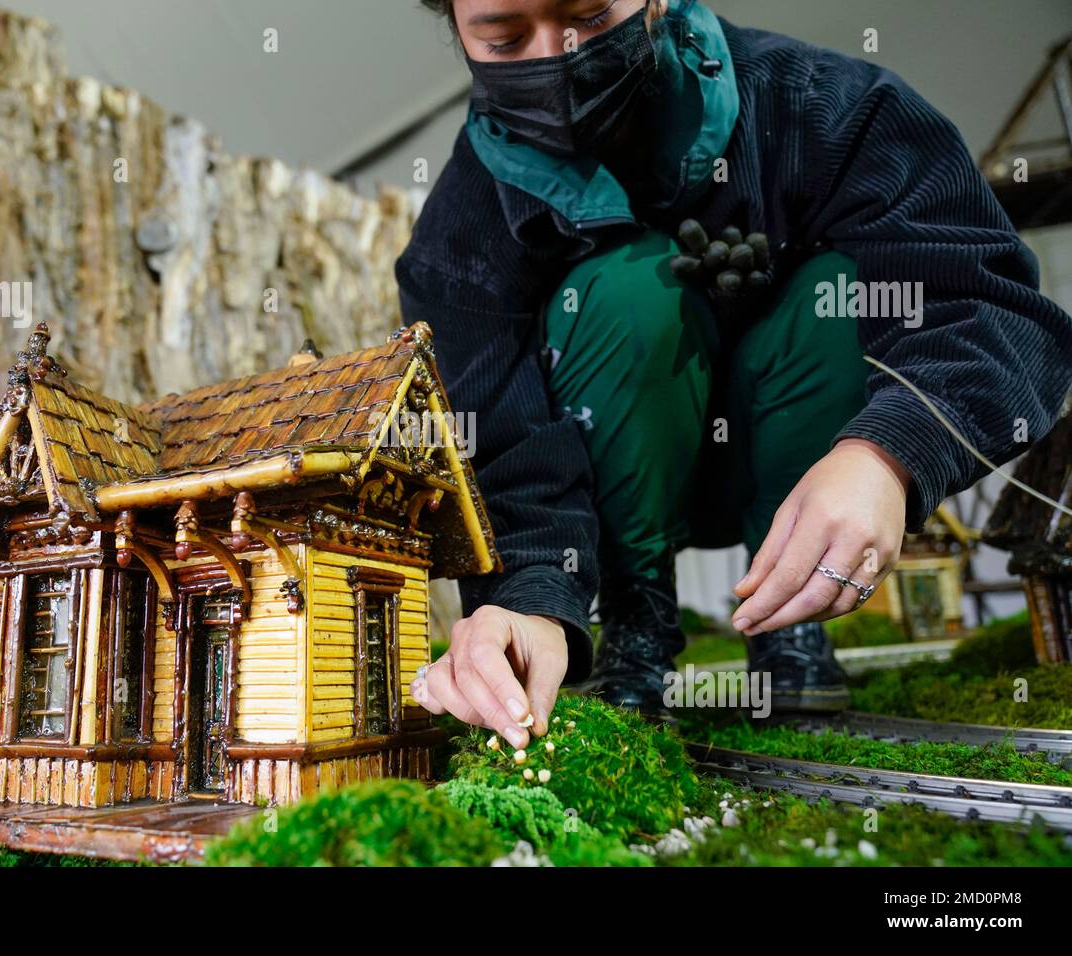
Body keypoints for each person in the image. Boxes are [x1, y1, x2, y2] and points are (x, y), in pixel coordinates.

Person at [398, 0, 1072, 748]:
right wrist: (529, 597)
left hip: (800, 451)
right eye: (504, 36)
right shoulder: (458, 239)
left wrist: (889, 454)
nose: (558, 59)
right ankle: (638, 622)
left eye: (590, 15)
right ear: (457, 27)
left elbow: (987, 300)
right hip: (612, 482)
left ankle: (791, 625)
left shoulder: (830, 110)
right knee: (626, 289)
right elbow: (496, 441)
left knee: (833, 285)